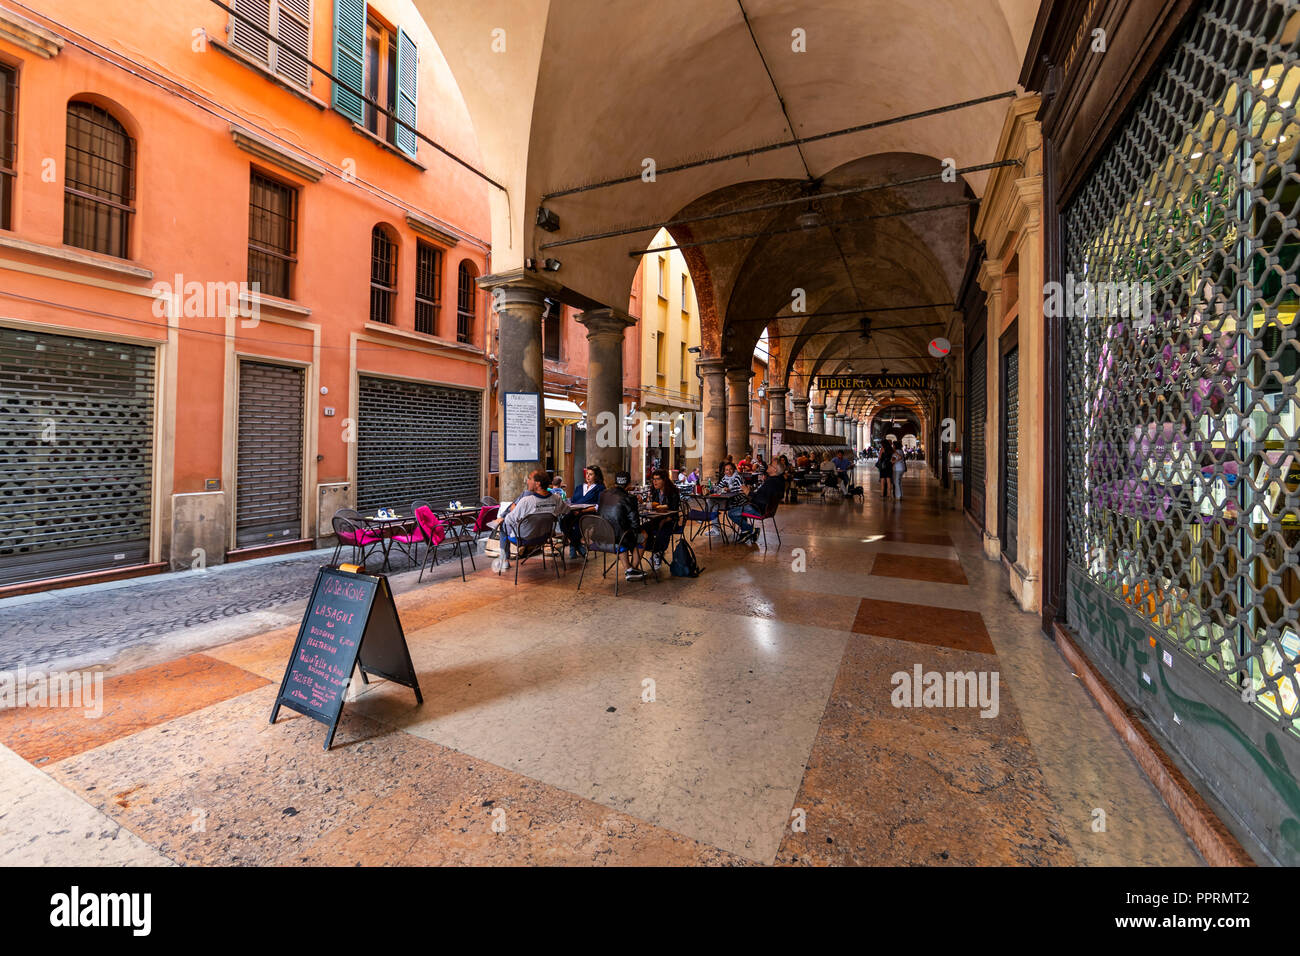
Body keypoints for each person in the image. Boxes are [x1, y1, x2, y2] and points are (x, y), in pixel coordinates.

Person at [501, 469, 570, 564]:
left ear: (537, 484)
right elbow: (567, 510)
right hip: (544, 537)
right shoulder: (556, 499)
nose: (527, 481)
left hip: (524, 538)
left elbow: (509, 520)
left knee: (502, 526)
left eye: (529, 479)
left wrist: (513, 509)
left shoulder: (526, 501)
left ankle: (504, 561)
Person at [597, 470, 646, 581]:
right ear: (629, 484)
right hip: (620, 538)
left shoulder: (603, 494)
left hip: (601, 536)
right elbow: (635, 524)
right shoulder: (630, 498)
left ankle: (629, 569)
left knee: (620, 531)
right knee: (643, 535)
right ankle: (633, 569)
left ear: (615, 482)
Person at [729, 461, 785, 543]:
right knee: (740, 507)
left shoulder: (771, 482)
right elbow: (764, 495)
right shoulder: (779, 480)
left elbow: (760, 499)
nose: (768, 465)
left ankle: (752, 530)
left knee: (731, 513)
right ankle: (745, 532)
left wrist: (748, 492)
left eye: (771, 465)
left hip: (759, 509)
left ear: (775, 470)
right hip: (768, 510)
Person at [562, 465, 605, 557]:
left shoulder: (600, 488)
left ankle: (573, 546)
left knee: (578, 524)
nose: (588, 476)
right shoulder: (579, 487)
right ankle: (578, 546)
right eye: (587, 474)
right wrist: (573, 509)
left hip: (589, 514)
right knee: (563, 522)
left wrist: (582, 511)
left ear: (596, 476)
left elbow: (598, 506)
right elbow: (572, 502)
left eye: (591, 474)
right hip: (575, 512)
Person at [643, 468, 681, 568]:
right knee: (643, 528)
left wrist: (664, 520)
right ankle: (653, 550)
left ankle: (658, 553)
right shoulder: (654, 492)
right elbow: (651, 506)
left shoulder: (673, 492)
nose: (654, 481)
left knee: (663, 528)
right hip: (656, 519)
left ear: (664, 480)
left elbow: (674, 512)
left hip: (671, 520)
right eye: (653, 479)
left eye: (657, 479)